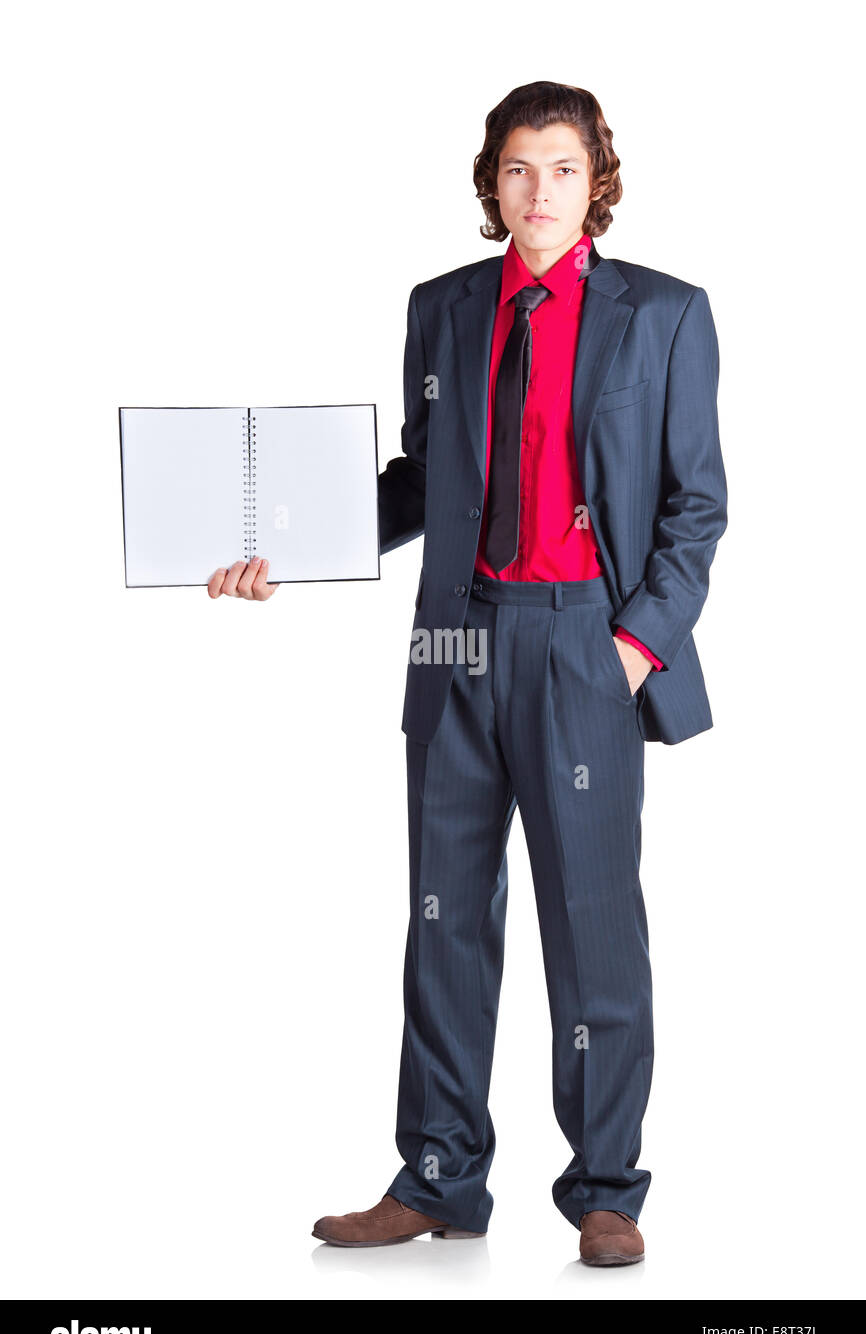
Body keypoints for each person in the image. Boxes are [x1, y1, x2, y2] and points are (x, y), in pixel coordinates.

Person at [207, 80, 727, 1266]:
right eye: (514, 169)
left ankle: (604, 1187)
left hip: (583, 639)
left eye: (559, 168)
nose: (536, 191)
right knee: (442, 917)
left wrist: (630, 648)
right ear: (488, 184)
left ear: (595, 180)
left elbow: (695, 506)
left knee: (590, 923)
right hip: (455, 635)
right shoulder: (442, 308)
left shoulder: (663, 314)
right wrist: (284, 540)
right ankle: (437, 1172)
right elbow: (416, 477)